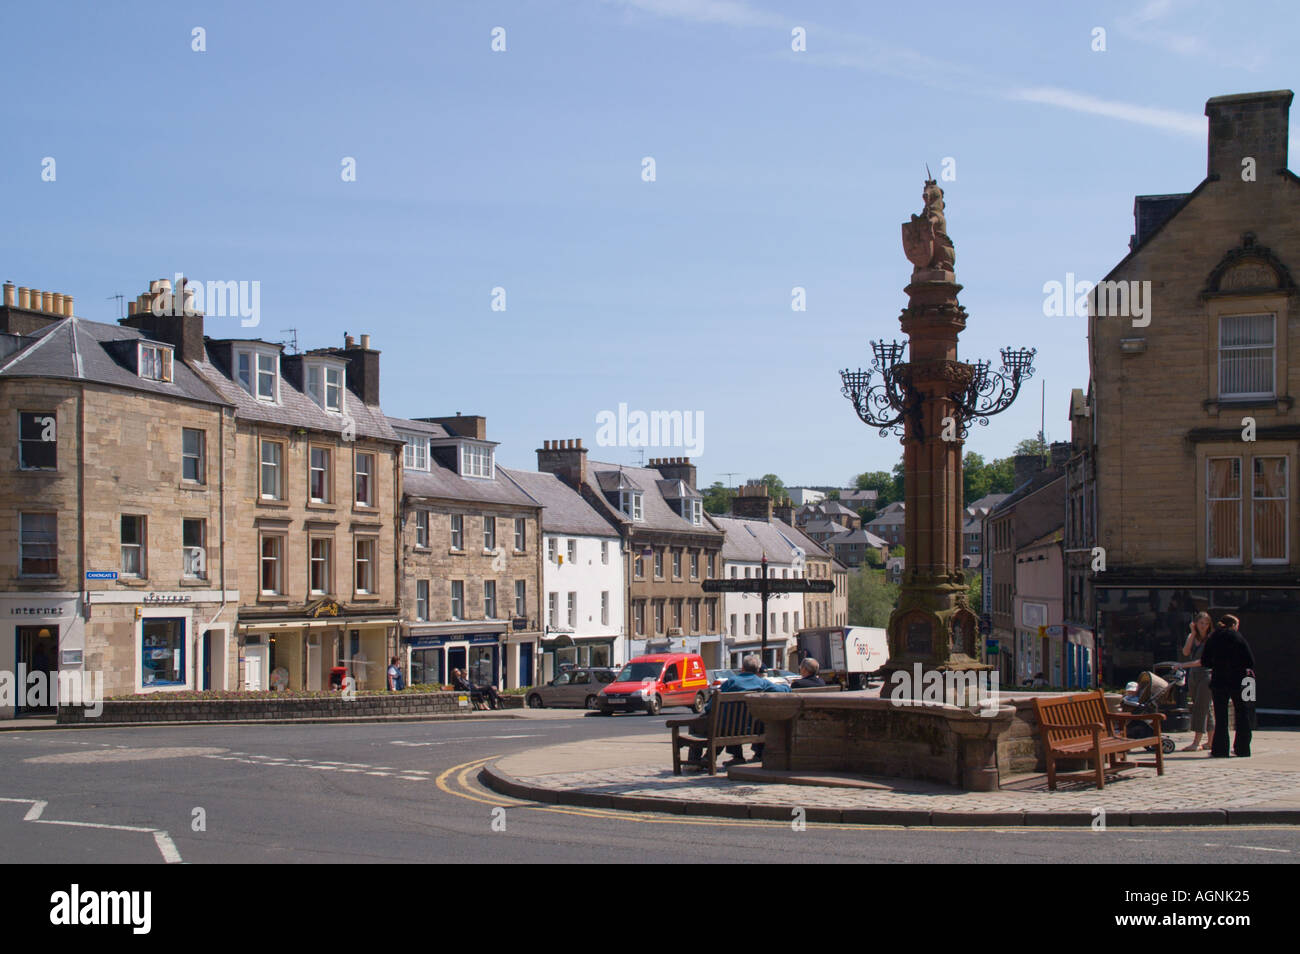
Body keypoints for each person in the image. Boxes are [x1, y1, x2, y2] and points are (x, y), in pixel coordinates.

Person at [688, 654, 790, 768]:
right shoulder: (762, 683)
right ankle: (735, 757)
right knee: (731, 724)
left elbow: (709, 707)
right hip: (750, 728)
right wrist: (788, 687)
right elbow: (783, 689)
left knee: (700, 724)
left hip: (726, 728)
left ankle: (695, 761)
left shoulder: (731, 682)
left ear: (742, 668)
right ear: (757, 669)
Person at [1199, 615, 1255, 758]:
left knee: (1221, 716)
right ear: (1233, 625)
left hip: (1219, 680)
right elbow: (1249, 660)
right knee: (1242, 714)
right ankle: (1242, 749)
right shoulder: (1238, 637)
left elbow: (1205, 660)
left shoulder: (1213, 638)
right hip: (1237, 680)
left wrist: (1216, 665)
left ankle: (1220, 749)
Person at [1179, 612, 1215, 751]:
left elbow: (1204, 661)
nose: (1204, 626)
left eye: (1206, 623)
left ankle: (1196, 741)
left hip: (1207, 674)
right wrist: (1192, 633)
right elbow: (1186, 652)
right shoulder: (1192, 636)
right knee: (1205, 708)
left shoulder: (1211, 639)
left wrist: (1183, 665)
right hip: (1194, 675)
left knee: (1200, 708)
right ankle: (1210, 742)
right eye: (1201, 623)